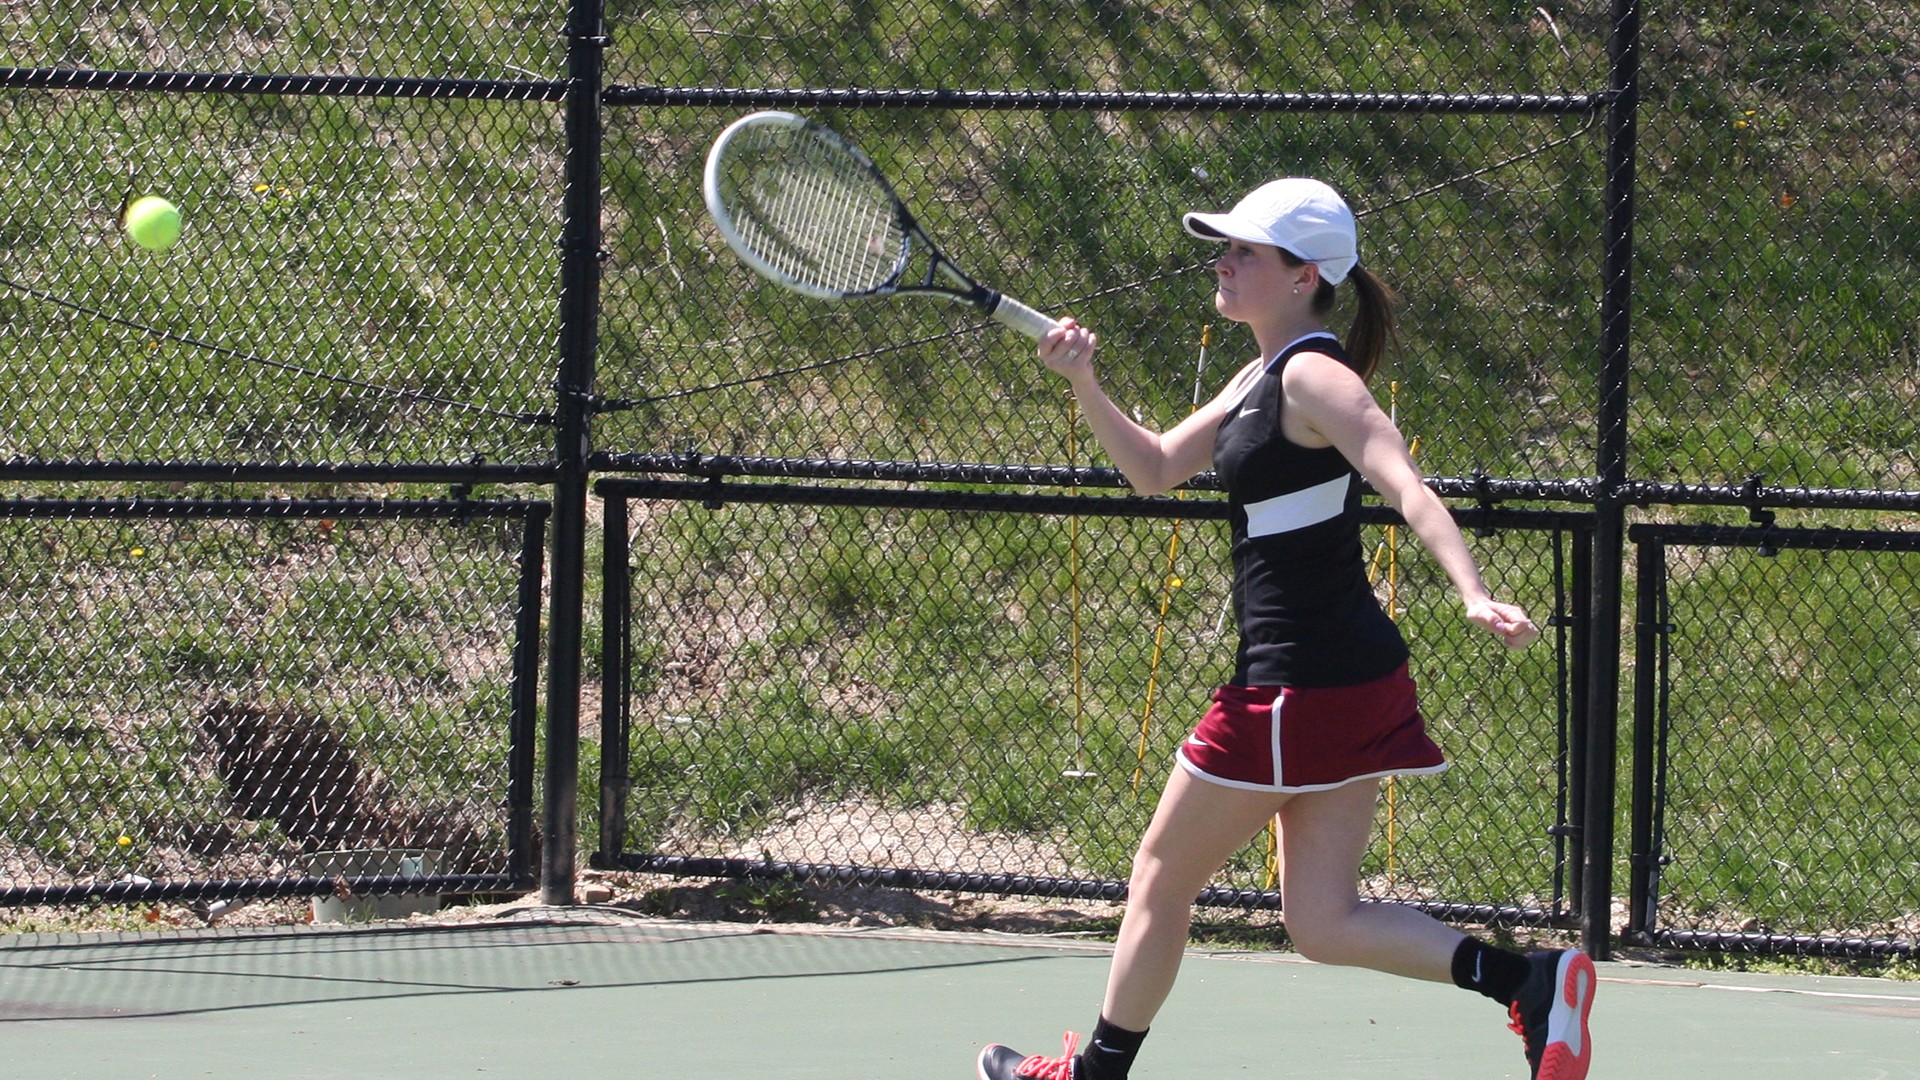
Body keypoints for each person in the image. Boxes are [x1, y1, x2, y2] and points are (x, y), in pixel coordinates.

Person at [975, 178, 1596, 1080]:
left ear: (1305, 276)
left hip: (1294, 686)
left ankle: (1094, 1076)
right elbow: (1151, 468)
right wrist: (1084, 381)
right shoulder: (1256, 375)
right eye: (1224, 246)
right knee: (1323, 921)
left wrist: (1471, 589)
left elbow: (1405, 483)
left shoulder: (1313, 374)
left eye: (1245, 251)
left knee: (1160, 875)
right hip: (1344, 680)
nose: (1223, 261)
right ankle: (1527, 982)